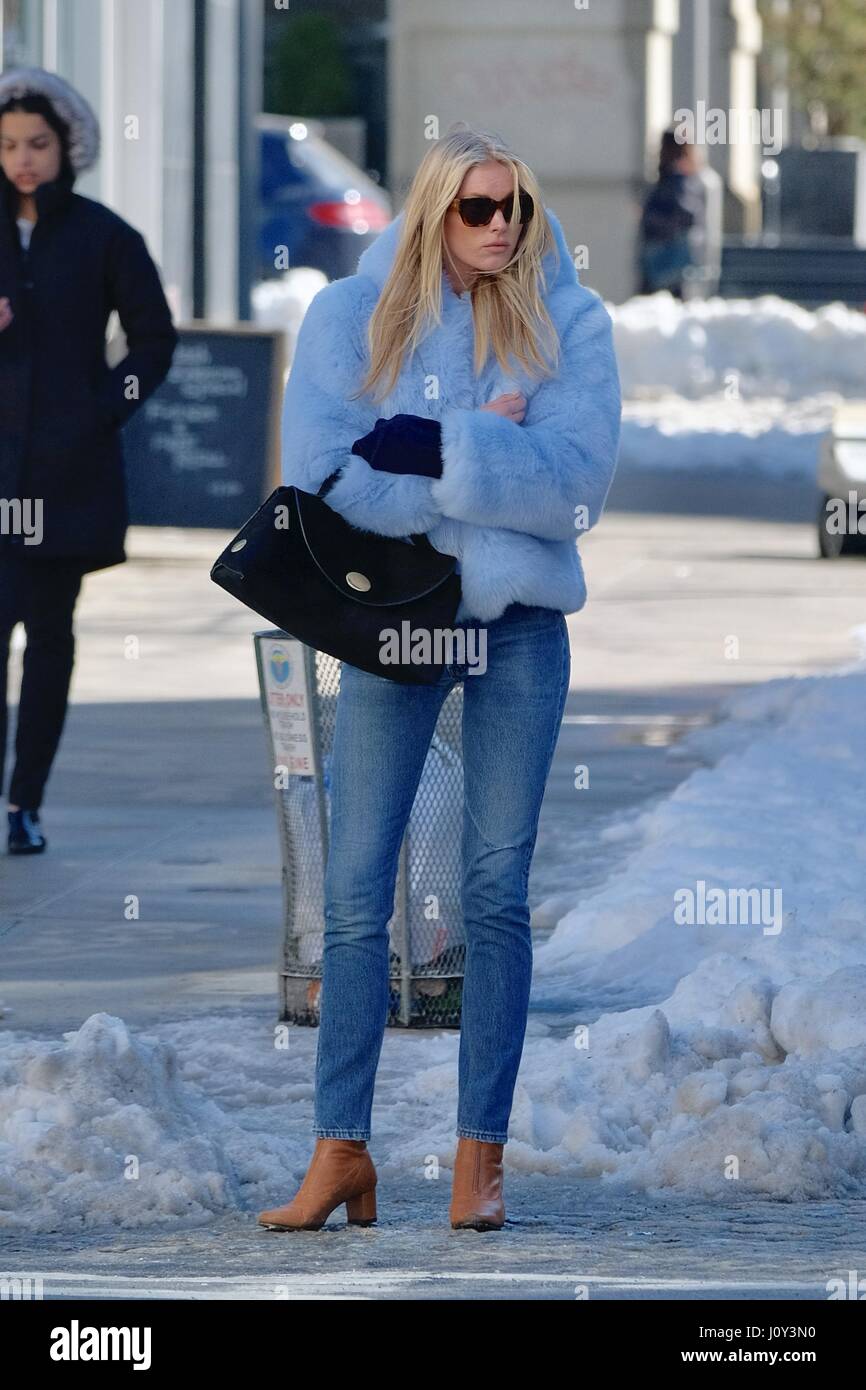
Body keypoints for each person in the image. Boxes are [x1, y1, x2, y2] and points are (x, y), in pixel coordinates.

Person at [259, 122, 621, 1233]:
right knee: (358, 892)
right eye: (476, 208)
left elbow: (572, 488)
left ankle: (480, 1164)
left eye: (513, 205)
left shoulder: (568, 320)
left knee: (495, 894)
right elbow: (322, 474)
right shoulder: (348, 317)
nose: (501, 226)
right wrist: (474, 439)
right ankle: (340, 1154)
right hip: (394, 622)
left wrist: (418, 447)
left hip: (515, 631)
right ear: (431, 213)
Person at [0, 68, 177, 854]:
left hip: (65, 477)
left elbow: (154, 341)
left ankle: (23, 802)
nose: (22, 159)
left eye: (37, 143)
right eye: (6, 146)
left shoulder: (105, 235)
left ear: (67, 145)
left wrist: (105, 407)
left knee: (48, 639)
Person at [638, 129, 707, 298]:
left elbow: (684, 214)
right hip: (668, 258)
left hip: (664, 257)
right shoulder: (684, 179)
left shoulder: (676, 179)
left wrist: (650, 217)